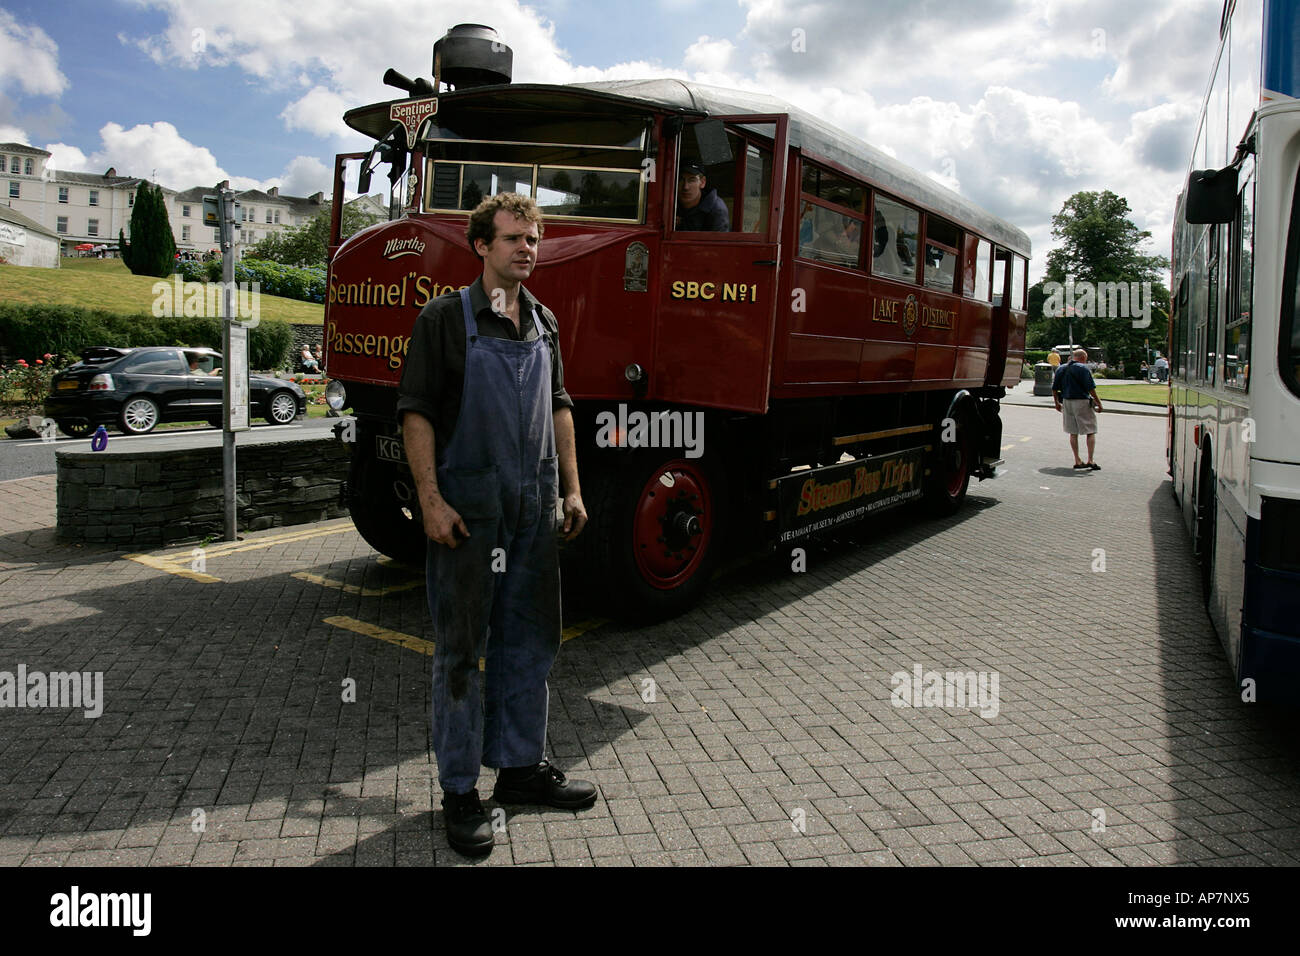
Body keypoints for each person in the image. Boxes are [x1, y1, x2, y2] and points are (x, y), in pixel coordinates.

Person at [398, 192, 594, 858]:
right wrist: (430, 500)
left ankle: (519, 770)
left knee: (530, 642)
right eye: (513, 238)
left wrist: (571, 489)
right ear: (481, 245)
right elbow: (416, 413)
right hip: (469, 515)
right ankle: (460, 792)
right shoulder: (444, 320)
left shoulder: (543, 320)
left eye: (534, 239)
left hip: (533, 511)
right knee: (460, 653)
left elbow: (561, 406)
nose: (526, 249)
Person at [1053, 348, 1104, 470]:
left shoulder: (1061, 368)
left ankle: (1077, 459)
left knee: (1073, 432)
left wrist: (1056, 403)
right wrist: (1098, 402)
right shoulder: (1083, 368)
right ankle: (1090, 460)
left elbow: (1054, 388)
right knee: (1090, 430)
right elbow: (1091, 388)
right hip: (1081, 401)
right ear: (1083, 358)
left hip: (1066, 401)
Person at [675, 162, 730, 231]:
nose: (685, 187)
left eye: (692, 180)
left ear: (702, 182)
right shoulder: (668, 203)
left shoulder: (717, 210)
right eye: (681, 180)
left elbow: (719, 241)